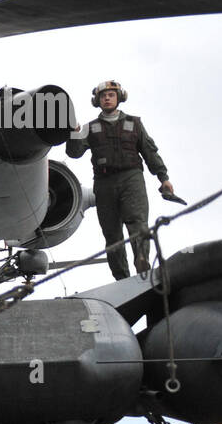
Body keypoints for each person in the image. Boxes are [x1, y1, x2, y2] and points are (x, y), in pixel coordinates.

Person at [66, 80, 175, 279]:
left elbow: (149, 152)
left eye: (111, 95)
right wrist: (73, 133)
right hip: (104, 183)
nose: (107, 98)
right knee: (112, 234)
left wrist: (163, 177)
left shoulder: (134, 124)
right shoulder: (90, 128)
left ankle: (141, 259)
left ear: (119, 98)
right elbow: (74, 153)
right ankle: (122, 279)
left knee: (137, 223)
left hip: (131, 178)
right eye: (103, 96)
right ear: (97, 101)